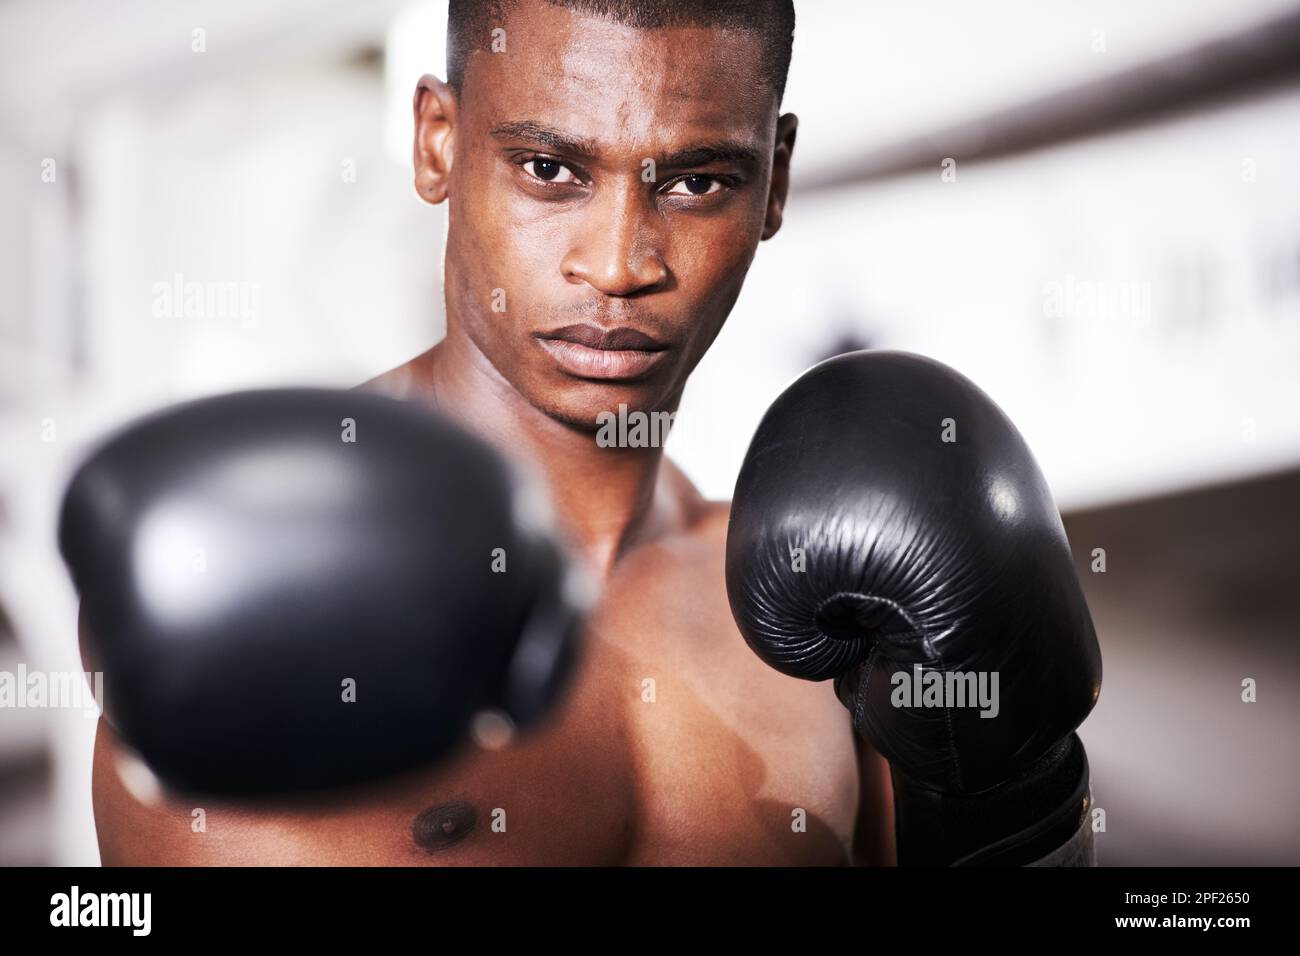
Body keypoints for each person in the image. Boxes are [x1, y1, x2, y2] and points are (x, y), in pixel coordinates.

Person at [82, 0, 890, 866]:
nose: (619, 265)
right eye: (549, 168)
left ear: (775, 180)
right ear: (437, 140)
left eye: (695, 182)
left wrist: (1026, 805)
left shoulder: (815, 600)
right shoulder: (281, 567)